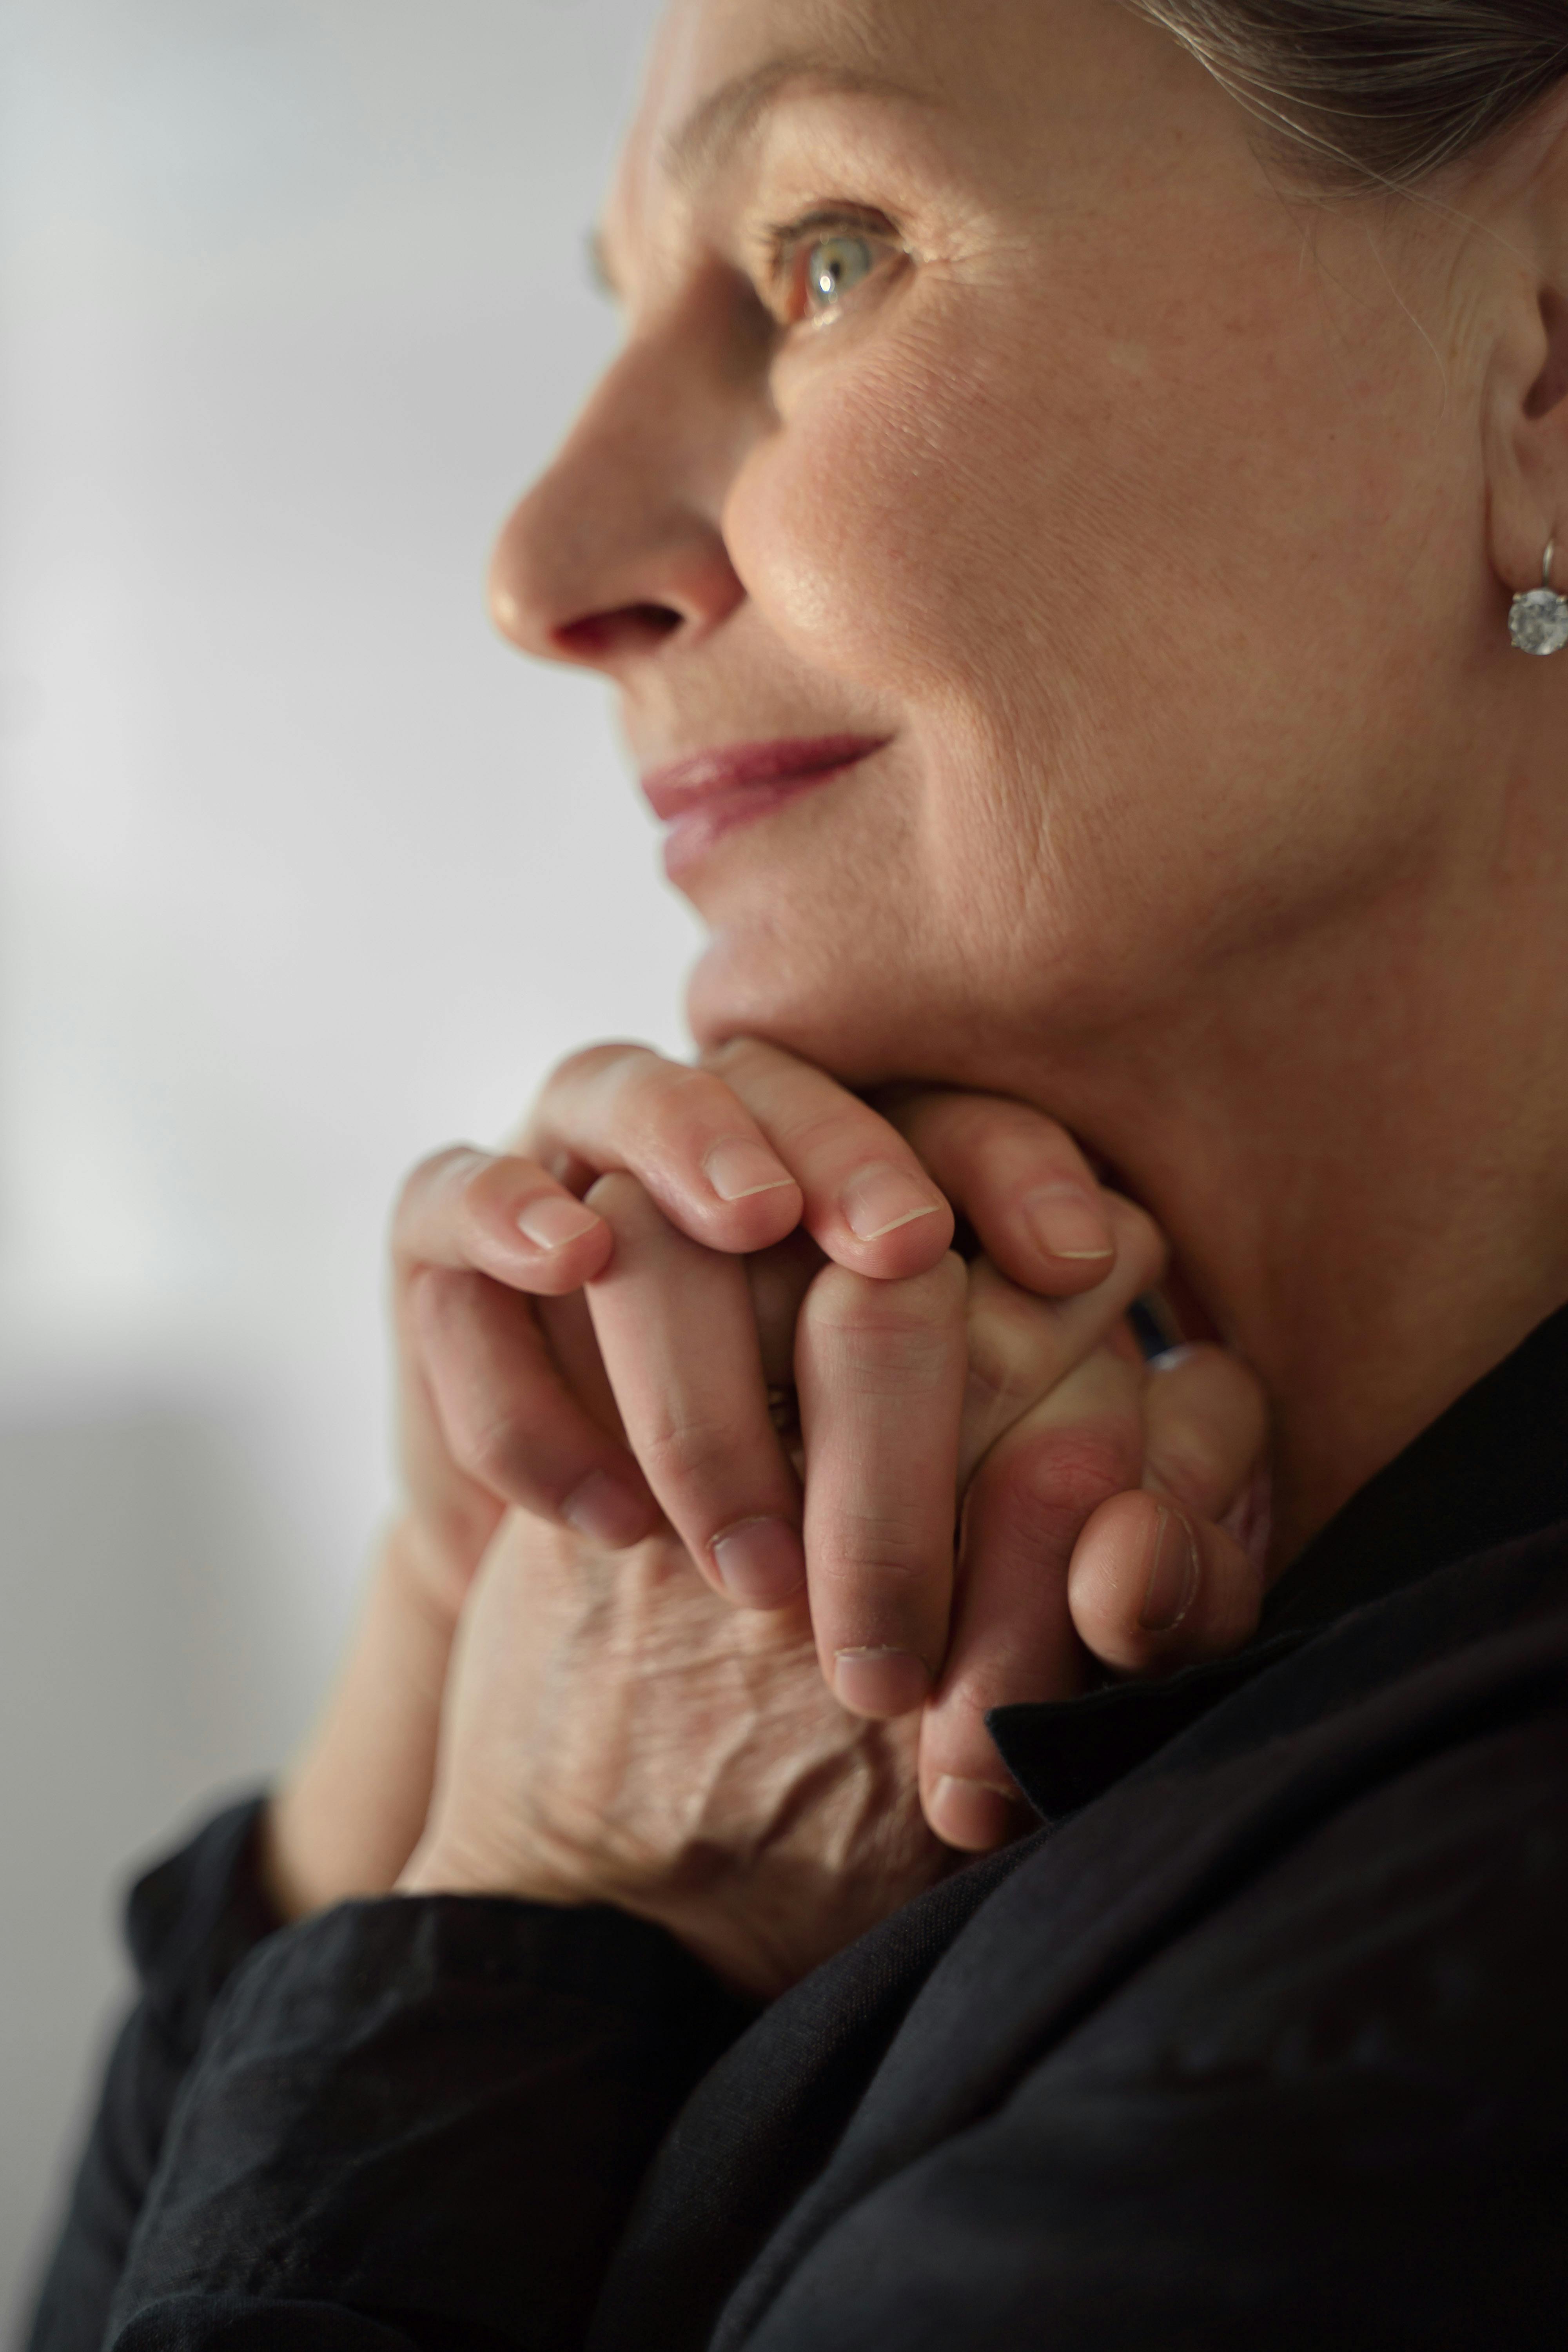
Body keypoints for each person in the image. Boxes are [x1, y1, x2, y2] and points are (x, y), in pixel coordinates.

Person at [27, 0, 1568, 2342]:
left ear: (1547, 366)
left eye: (829, 253)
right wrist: (448, 1660)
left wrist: (548, 1920)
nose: (543, 568)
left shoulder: (1433, 2027)